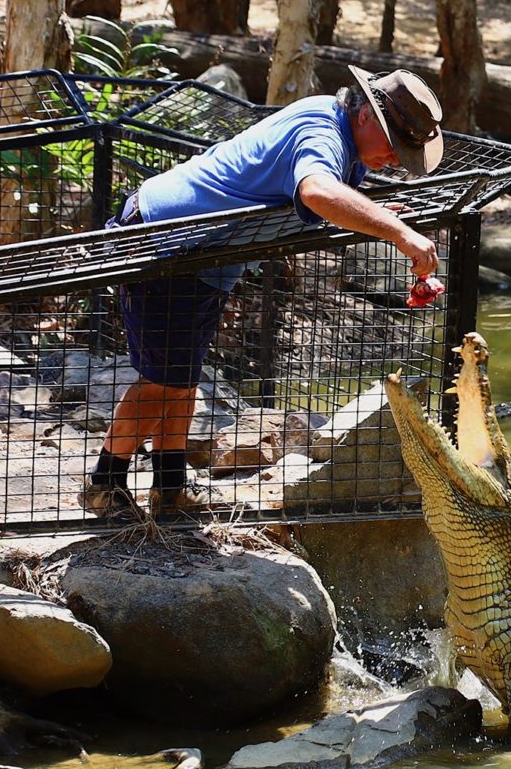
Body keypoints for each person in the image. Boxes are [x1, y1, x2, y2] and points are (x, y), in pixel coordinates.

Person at [77, 66, 444, 523]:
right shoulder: (323, 131)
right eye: (396, 146)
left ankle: (169, 486)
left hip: (203, 261)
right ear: (368, 115)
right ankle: (103, 484)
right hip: (166, 244)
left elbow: (322, 193)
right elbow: (316, 190)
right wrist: (399, 232)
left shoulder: (343, 137)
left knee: (181, 378)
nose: (395, 161)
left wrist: (376, 214)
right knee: (161, 381)